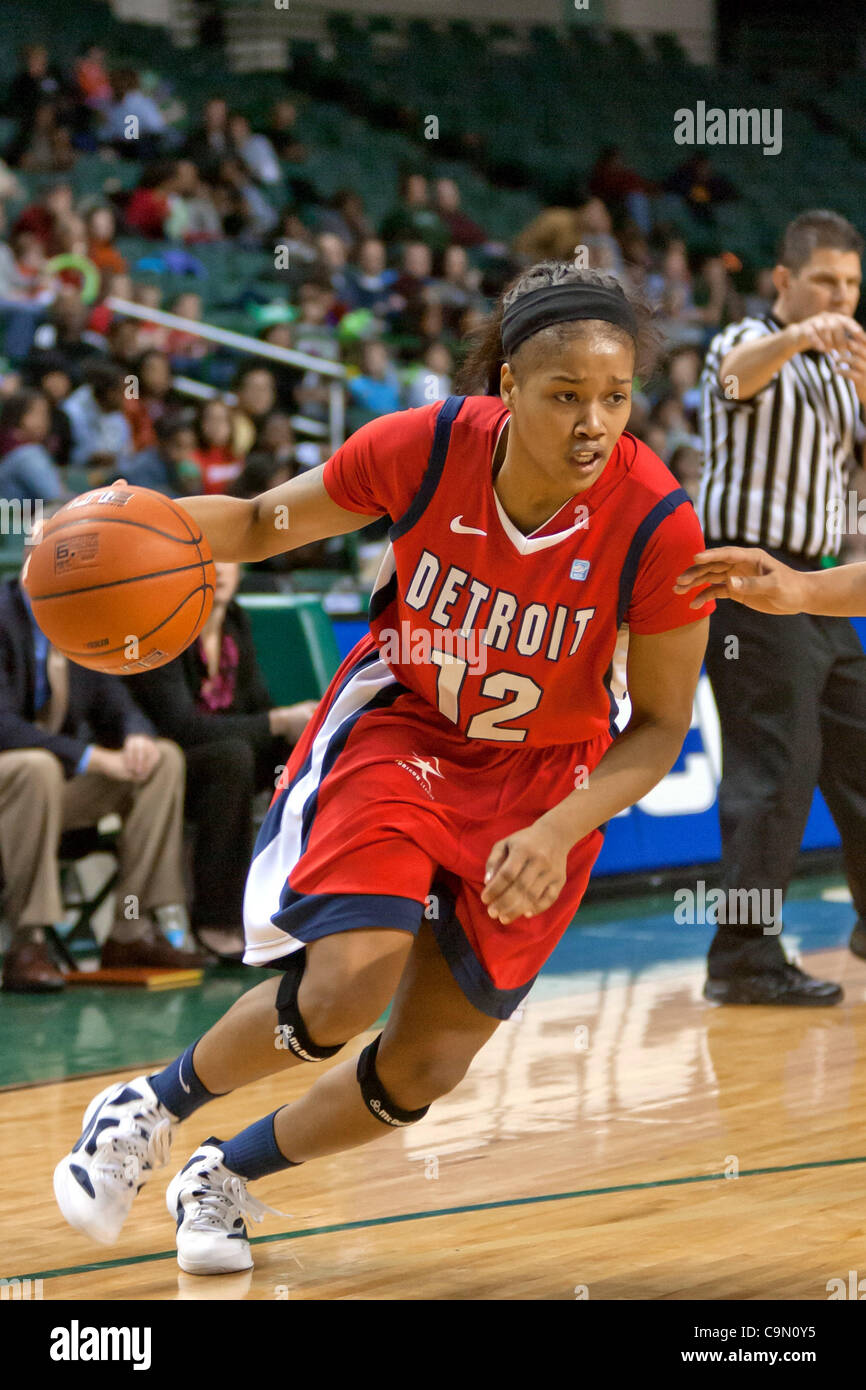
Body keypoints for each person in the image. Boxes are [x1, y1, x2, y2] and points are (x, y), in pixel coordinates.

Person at [53, 262, 712, 1275]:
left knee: (421, 1068)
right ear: (504, 386)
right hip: (406, 732)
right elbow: (265, 523)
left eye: (615, 398)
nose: (594, 423)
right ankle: (144, 1107)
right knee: (349, 977)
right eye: (566, 396)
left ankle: (223, 1175)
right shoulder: (428, 446)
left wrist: (558, 825)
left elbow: (660, 726)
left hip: (544, 785)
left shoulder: (656, 523)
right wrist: (129, 529)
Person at [691, 209, 866, 1005]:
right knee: (775, 774)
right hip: (754, 587)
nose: (843, 296)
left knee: (860, 762)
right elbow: (733, 381)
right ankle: (744, 959)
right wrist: (803, 335)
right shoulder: (745, 342)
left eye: (854, 283)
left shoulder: (844, 373)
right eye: (827, 279)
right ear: (785, 280)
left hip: (829, 588)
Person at [0, 563, 202, 993]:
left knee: (162, 760)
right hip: (14, 783)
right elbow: (3, 725)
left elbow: (118, 701)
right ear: (27, 567)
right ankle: (27, 941)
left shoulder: (79, 622)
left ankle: (129, 929)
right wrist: (91, 757)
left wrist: (136, 736)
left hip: (54, 791)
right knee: (35, 767)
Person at [128, 560, 317, 960]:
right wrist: (277, 721)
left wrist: (298, 726)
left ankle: (302, 906)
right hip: (171, 765)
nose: (222, 569)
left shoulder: (235, 620)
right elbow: (180, 727)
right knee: (233, 759)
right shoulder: (162, 626)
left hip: (231, 758)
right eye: (210, 559)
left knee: (302, 753)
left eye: (230, 558)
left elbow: (258, 706)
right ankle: (216, 918)